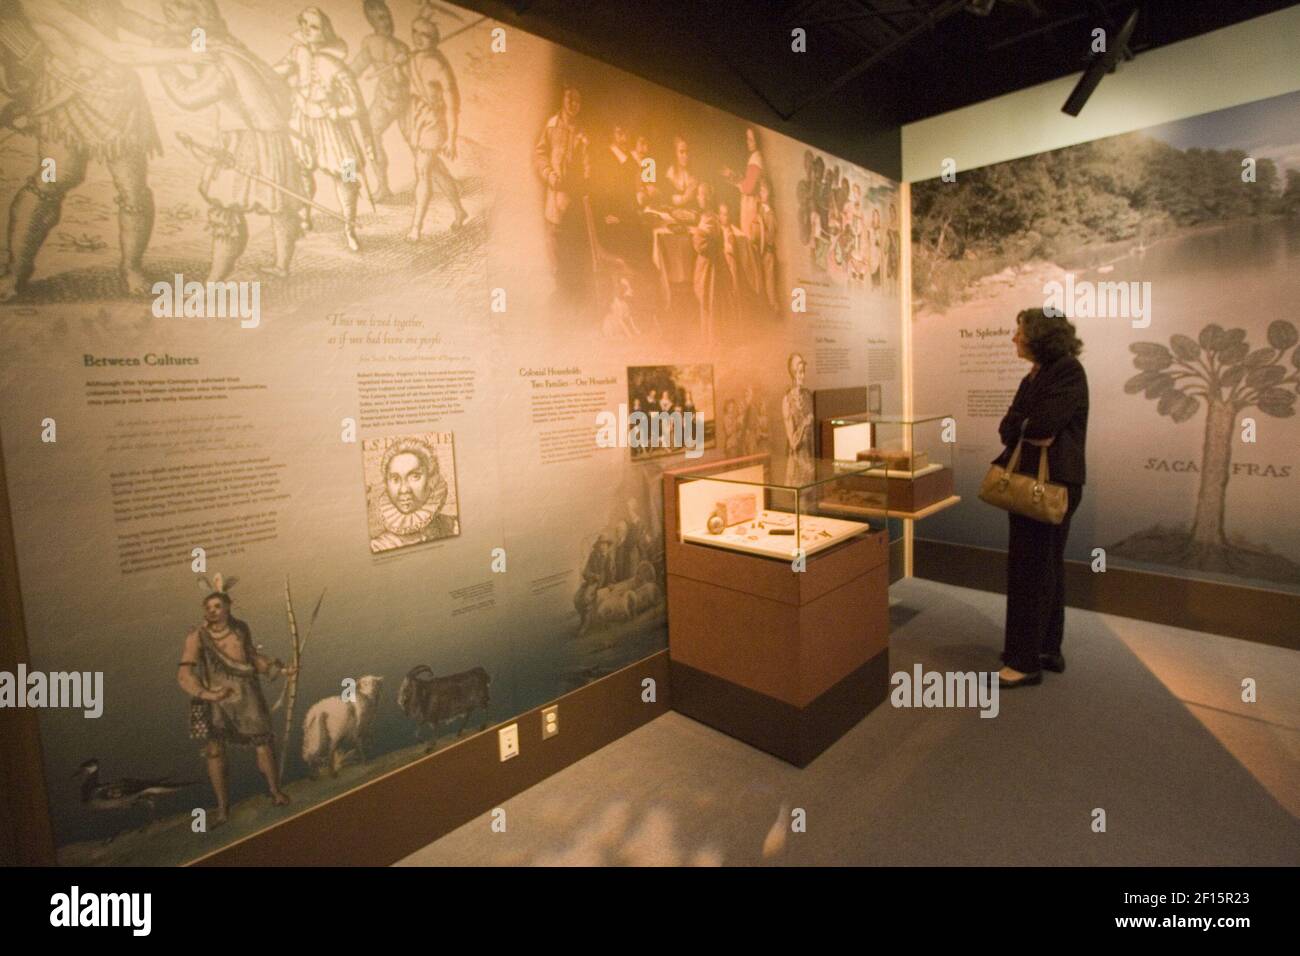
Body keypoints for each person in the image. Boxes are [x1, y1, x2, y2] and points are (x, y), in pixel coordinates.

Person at [155, 0, 304, 280]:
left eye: (179, 4)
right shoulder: (226, 45)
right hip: (271, 137)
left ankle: (216, 277)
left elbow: (189, 98)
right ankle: (281, 265)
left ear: (200, 14)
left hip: (246, 138)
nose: (169, 8)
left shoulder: (220, 55)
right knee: (279, 204)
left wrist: (163, 65)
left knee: (226, 207)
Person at [993, 308, 1089, 688]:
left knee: (1030, 569)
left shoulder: (1066, 371)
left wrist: (1024, 423)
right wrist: (1024, 425)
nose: (1014, 338)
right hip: (1039, 482)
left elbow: (1044, 425)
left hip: (1050, 485)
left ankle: (1024, 661)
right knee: (1045, 566)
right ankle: (1046, 648)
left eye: (1019, 331)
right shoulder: (1037, 375)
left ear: (1040, 336)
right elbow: (1009, 429)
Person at [178, 588, 294, 824]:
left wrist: (281, 670)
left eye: (217, 606)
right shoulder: (197, 636)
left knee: (263, 745)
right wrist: (208, 694)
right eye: (208, 607)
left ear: (228, 607)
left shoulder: (241, 629)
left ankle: (275, 793)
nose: (212, 611)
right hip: (217, 702)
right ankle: (222, 808)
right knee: (215, 751)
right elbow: (184, 673)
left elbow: (252, 658)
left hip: (247, 696)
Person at [276, 7, 371, 251]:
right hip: (301, 119)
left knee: (347, 176)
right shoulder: (297, 52)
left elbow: (357, 107)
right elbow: (277, 72)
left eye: (314, 26)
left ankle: (349, 225)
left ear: (325, 31)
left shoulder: (337, 66)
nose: (306, 29)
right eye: (303, 23)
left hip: (332, 128)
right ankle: (305, 217)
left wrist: (335, 112)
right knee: (301, 168)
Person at [404, 15, 467, 239]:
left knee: (422, 171)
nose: (419, 39)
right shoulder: (409, 59)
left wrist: (451, 138)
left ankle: (415, 228)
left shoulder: (439, 66)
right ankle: (460, 211)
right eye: (416, 32)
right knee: (436, 170)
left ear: (435, 39)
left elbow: (452, 105)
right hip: (415, 122)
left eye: (426, 35)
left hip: (434, 124)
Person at [350, 0, 410, 202]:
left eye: (388, 16)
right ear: (372, 21)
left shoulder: (403, 48)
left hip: (402, 99)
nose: (387, 22)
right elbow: (357, 67)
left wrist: (400, 66)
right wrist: (339, 79)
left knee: (416, 143)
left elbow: (405, 79)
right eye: (380, 18)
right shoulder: (371, 41)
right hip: (383, 97)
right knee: (370, 136)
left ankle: (434, 181)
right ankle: (383, 187)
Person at [533, 84, 589, 291]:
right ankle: (557, 278)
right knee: (554, 232)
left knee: (572, 234)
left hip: (574, 192)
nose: (573, 104)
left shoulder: (582, 131)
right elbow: (540, 155)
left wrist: (585, 173)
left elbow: (586, 162)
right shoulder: (551, 126)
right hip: (556, 189)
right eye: (569, 99)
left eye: (577, 101)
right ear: (562, 100)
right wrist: (548, 173)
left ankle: (571, 281)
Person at [369, 436, 458, 551]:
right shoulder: (379, 546)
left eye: (415, 476)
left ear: (431, 479)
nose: (404, 490)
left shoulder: (453, 526)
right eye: (395, 479)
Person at [782, 352, 814, 485]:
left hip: (810, 457)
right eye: (800, 372)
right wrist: (804, 424)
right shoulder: (787, 401)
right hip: (797, 462)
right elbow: (793, 443)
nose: (803, 376)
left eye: (804, 372)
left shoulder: (808, 395)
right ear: (793, 374)